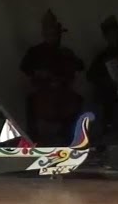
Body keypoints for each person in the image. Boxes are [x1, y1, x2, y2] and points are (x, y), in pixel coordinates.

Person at [20, 10, 84, 145]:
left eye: (56, 34)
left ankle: (71, 137)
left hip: (63, 90)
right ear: (44, 34)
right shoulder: (35, 51)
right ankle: (32, 139)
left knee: (78, 101)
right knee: (30, 101)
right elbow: (24, 67)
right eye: (50, 33)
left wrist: (71, 59)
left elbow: (80, 66)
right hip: (44, 90)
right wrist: (39, 73)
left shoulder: (65, 52)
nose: (54, 37)